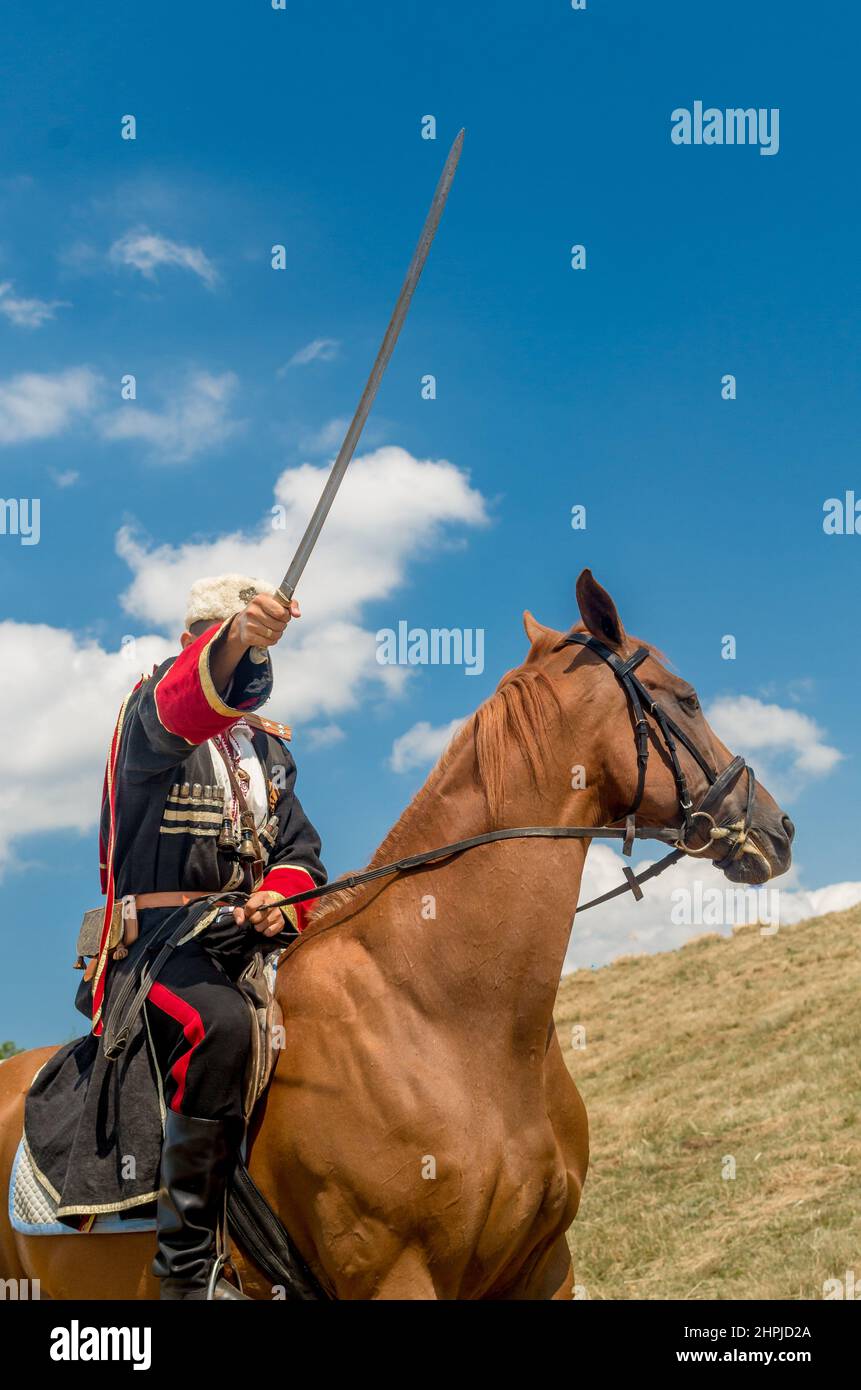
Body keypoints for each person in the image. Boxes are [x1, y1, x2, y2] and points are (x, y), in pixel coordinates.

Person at [85, 573, 325, 1298]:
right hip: (159, 943)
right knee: (218, 1024)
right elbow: (184, 703)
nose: (255, 665)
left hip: (252, 941)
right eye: (232, 645)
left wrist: (278, 903)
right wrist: (236, 640)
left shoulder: (270, 754)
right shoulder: (150, 717)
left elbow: (300, 854)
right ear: (198, 644)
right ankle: (187, 1268)